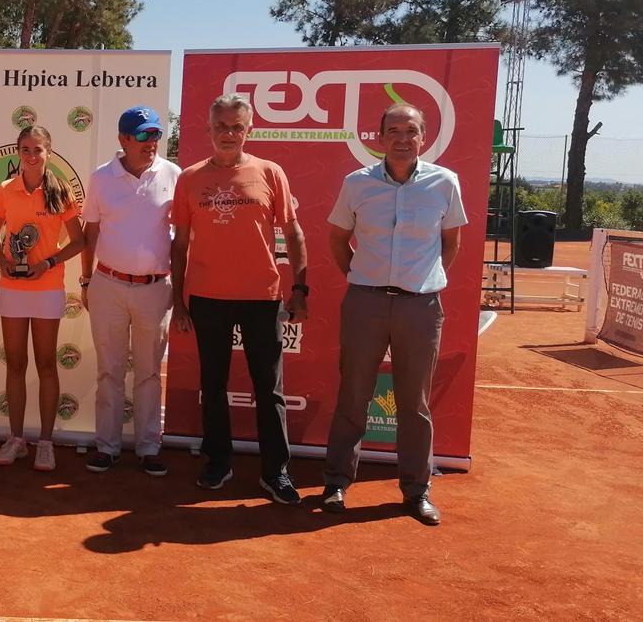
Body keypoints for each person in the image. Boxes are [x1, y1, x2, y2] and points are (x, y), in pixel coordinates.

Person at [322, 103, 465, 526]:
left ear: (424, 137)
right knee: (353, 394)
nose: (403, 139)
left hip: (420, 306)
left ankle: (417, 490)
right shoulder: (356, 183)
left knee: (414, 402)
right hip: (364, 302)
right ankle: (335, 483)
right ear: (380, 137)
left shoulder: (445, 182)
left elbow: (451, 242)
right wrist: (361, 277)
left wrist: (422, 279)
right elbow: (337, 238)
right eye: (394, 131)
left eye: (411, 131)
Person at [170, 93, 308, 503]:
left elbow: (294, 233)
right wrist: (179, 300)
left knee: (270, 388)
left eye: (236, 127)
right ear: (208, 129)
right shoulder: (189, 178)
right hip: (207, 297)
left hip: (262, 298)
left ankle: (276, 471)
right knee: (212, 385)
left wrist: (299, 289)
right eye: (221, 126)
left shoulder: (270, 172)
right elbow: (179, 245)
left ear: (249, 130)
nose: (228, 134)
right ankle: (218, 462)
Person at [79, 106, 180, 476]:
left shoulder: (174, 174)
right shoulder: (101, 177)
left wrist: (180, 288)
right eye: (142, 135)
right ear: (123, 139)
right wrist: (86, 281)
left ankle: (149, 447)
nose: (150, 142)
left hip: (155, 288)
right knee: (109, 370)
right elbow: (90, 232)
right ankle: (106, 447)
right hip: (107, 284)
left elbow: (182, 236)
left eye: (155, 135)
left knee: (149, 372)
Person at [0, 126, 85, 471]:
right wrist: (4, 262)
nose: (31, 155)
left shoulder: (61, 191)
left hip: (47, 288)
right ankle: (16, 439)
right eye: (25, 149)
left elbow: (78, 241)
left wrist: (48, 263)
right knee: (15, 364)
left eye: (37, 149)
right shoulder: (5, 190)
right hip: (13, 287)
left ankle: (45, 442)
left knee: (45, 364)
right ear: (18, 152)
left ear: (49, 153)